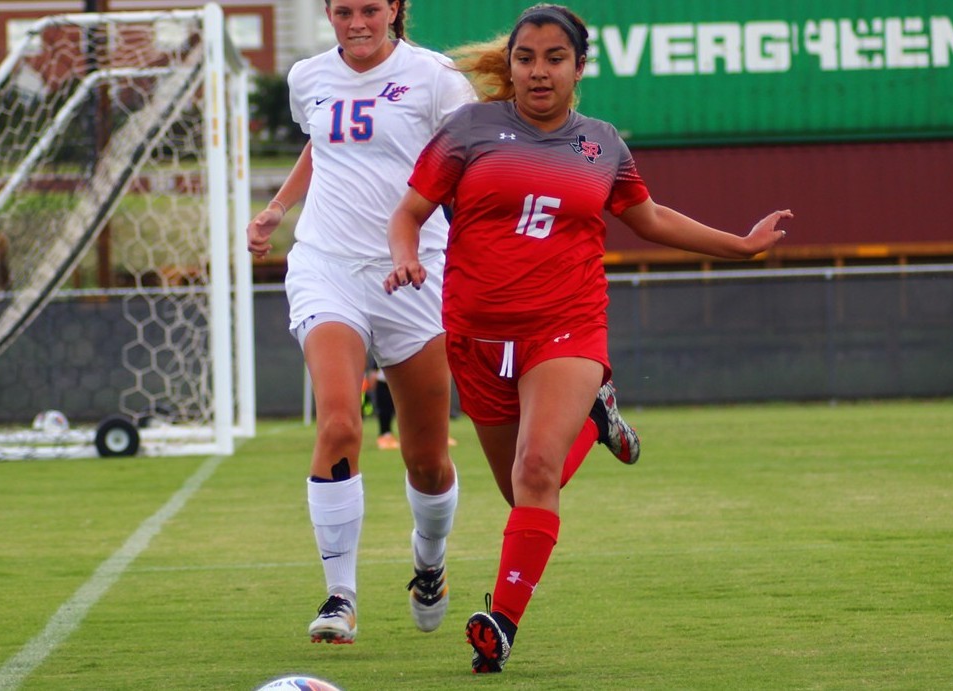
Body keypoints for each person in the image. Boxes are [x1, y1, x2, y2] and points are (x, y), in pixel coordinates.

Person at [383, 3, 792, 673]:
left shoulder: (601, 143)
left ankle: (500, 625)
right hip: (476, 335)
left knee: (536, 471)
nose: (538, 72)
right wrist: (405, 253)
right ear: (509, 66)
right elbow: (409, 212)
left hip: (565, 326)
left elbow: (649, 217)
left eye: (553, 59)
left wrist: (738, 246)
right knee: (524, 497)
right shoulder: (467, 130)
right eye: (525, 59)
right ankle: (597, 417)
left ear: (580, 67)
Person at [244, 0, 638, 646]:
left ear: (395, 9)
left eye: (369, 9)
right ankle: (339, 596)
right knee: (339, 419)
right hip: (327, 265)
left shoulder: (435, 81)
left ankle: (429, 559)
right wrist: (278, 209)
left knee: (427, 461)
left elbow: (479, 157)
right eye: (342, 11)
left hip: (420, 274)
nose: (356, 22)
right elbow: (325, 144)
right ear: (327, 14)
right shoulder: (307, 76)